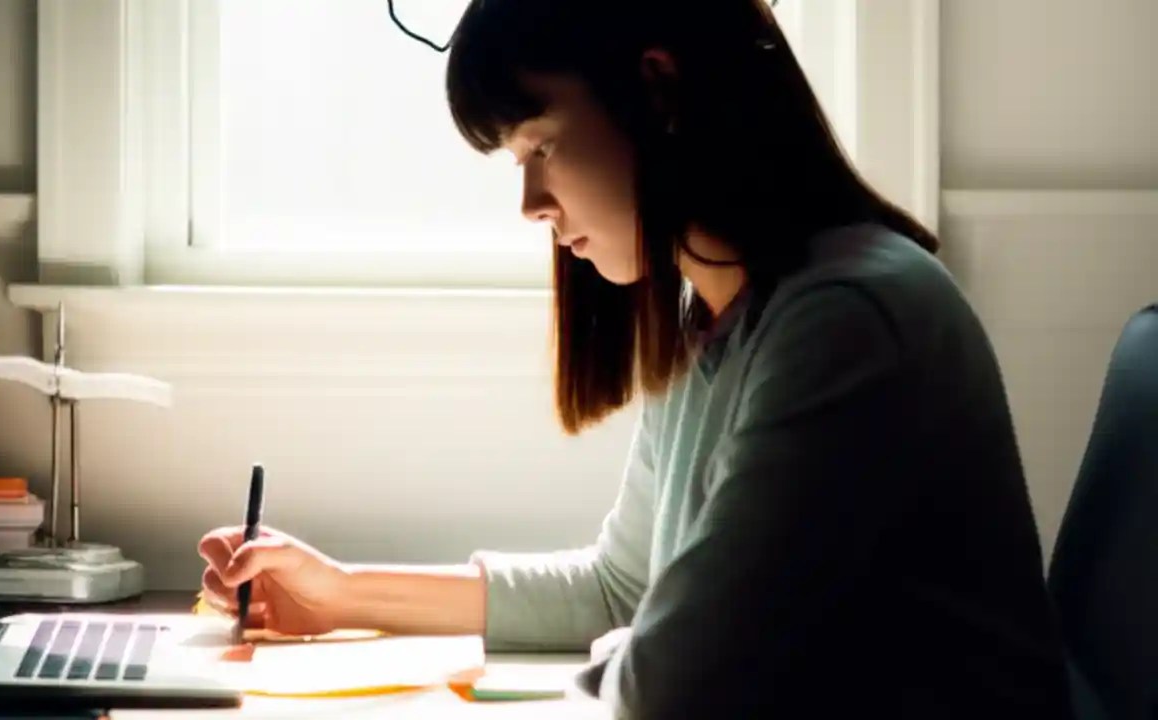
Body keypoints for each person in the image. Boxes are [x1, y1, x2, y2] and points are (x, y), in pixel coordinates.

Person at [198, 0, 1074, 716]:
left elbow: (672, 687)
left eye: (540, 146)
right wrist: (343, 593)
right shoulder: (722, 319)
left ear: (656, 90)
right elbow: (625, 591)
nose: (531, 204)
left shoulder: (845, 320)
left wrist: (635, 650)